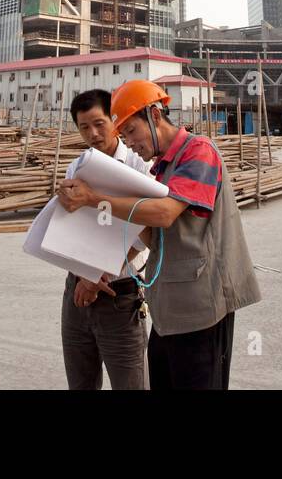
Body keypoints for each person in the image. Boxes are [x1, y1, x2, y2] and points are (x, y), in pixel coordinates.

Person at [56, 79, 262, 390]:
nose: (129, 142)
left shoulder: (199, 151)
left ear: (154, 115)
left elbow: (164, 214)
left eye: (131, 131)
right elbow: (153, 237)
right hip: (168, 311)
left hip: (202, 309)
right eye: (124, 134)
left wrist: (95, 199)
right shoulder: (161, 169)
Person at [58, 89, 152, 390]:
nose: (93, 134)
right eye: (84, 127)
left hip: (119, 296)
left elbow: (144, 232)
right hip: (77, 292)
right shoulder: (77, 167)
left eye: (99, 124)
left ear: (115, 120)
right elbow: (72, 226)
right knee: (80, 382)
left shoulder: (139, 165)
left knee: (130, 384)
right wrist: (83, 275)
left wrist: (99, 273)